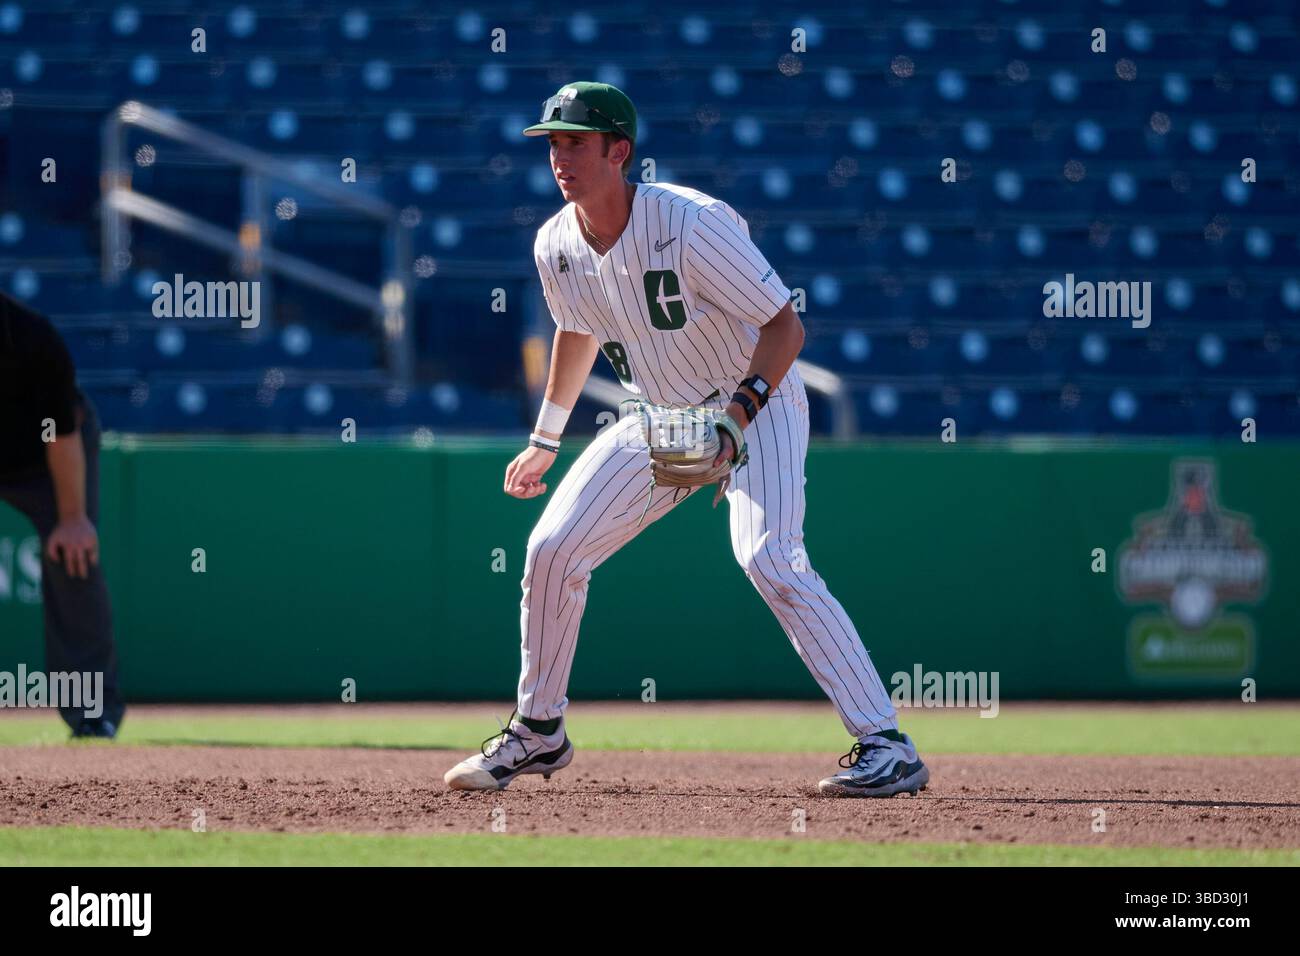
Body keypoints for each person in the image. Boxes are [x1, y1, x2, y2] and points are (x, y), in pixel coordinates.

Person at [444, 82, 927, 797]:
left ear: (621, 151)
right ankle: (538, 730)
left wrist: (736, 421)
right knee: (551, 550)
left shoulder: (689, 223)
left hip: (753, 401)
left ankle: (886, 744)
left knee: (769, 557)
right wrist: (545, 439)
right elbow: (576, 330)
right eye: (552, 142)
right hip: (659, 416)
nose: (559, 156)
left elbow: (784, 327)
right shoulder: (555, 243)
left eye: (575, 140)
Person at [0, 291, 126, 737]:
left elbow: (61, 436)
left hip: (44, 462)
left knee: (73, 557)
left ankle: (93, 714)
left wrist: (72, 519)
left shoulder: (35, 339)